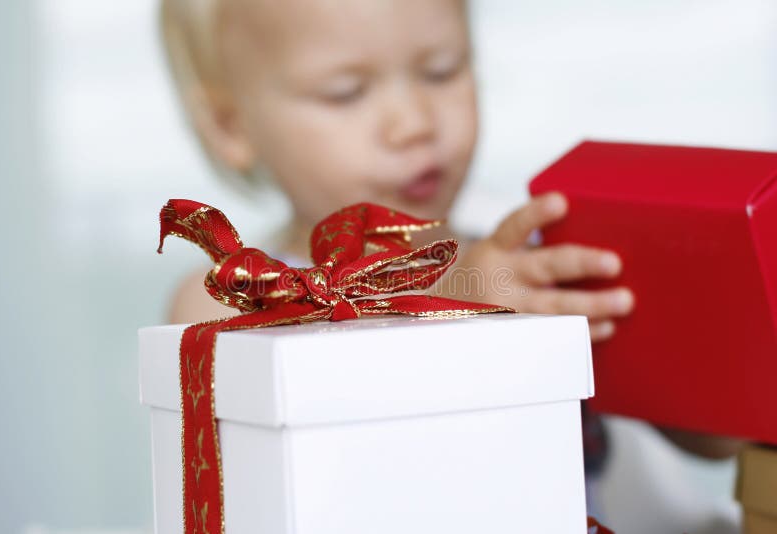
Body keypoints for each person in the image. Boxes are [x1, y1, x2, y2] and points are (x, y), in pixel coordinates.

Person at [159, 0, 744, 515]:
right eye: (347, 92)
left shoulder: (523, 262)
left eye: (442, 71)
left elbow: (721, 443)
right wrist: (455, 306)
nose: (414, 123)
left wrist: (671, 334)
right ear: (230, 125)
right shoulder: (230, 295)